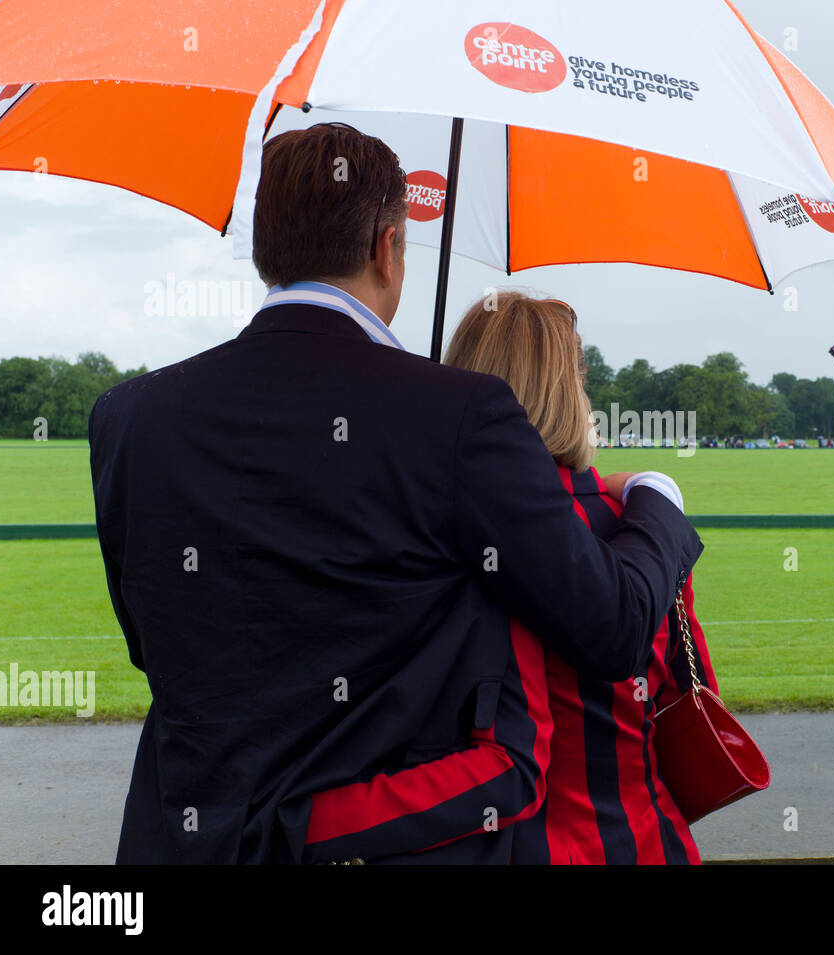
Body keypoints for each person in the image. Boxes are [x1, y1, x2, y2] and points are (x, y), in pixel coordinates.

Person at [89, 122, 703, 864]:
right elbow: (611, 623)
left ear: (263, 251)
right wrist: (659, 503)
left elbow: (151, 640)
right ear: (388, 247)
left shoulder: (128, 417)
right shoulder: (463, 416)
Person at [444, 291, 716, 863]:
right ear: (571, 390)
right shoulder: (639, 524)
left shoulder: (436, 530)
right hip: (641, 837)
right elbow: (694, 697)